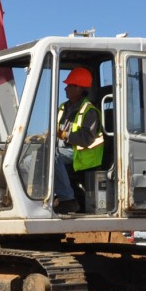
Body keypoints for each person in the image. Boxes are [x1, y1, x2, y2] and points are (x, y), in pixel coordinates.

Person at [52, 67, 103, 214]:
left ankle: (68, 200)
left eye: (69, 85)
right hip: (66, 150)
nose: (65, 88)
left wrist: (65, 135)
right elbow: (56, 130)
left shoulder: (89, 111)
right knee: (32, 157)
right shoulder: (63, 107)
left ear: (79, 89)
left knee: (53, 157)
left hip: (83, 155)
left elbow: (86, 139)